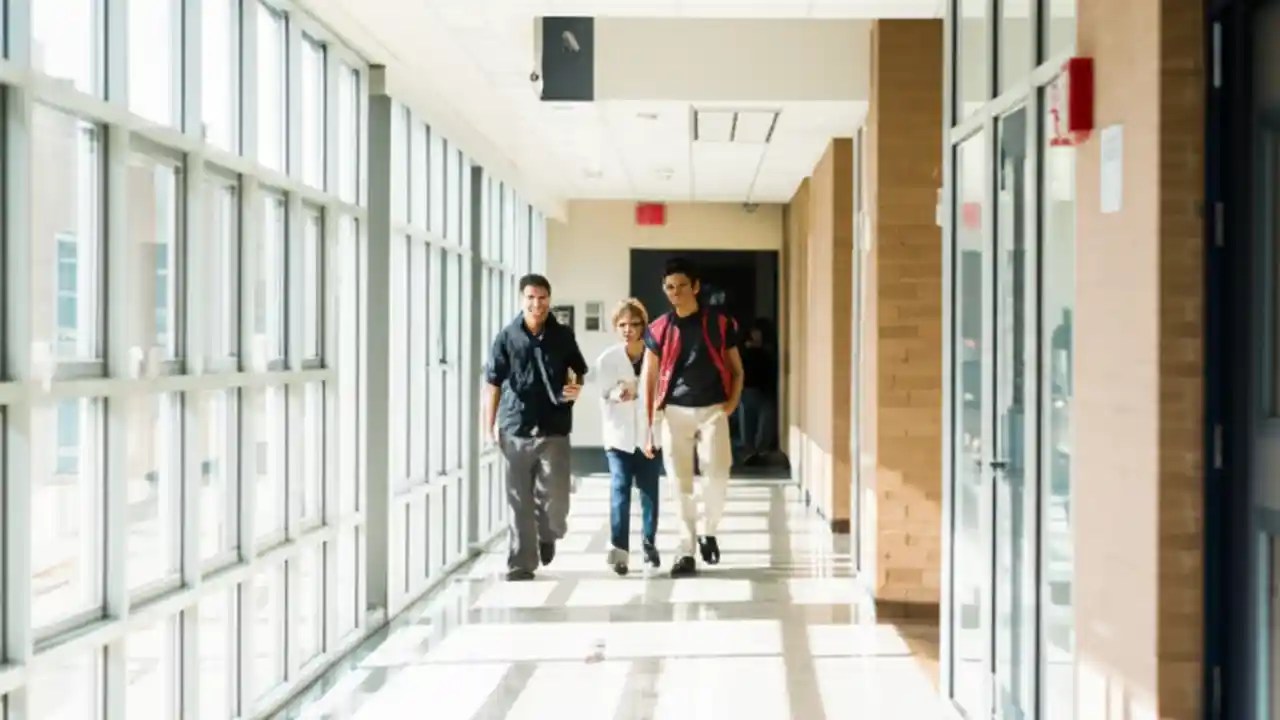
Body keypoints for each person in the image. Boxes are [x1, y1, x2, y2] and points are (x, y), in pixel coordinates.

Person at [640, 258, 744, 577]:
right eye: (670, 287)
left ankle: (708, 531)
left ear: (696, 287)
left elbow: (738, 371)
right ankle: (685, 549)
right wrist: (648, 428)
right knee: (679, 482)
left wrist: (729, 407)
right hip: (673, 413)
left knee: (717, 474)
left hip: (713, 409)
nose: (676, 293)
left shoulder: (721, 324)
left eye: (682, 286)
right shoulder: (658, 329)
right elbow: (649, 378)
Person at [484, 274, 588, 581]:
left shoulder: (563, 336)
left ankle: (549, 534)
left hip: (553, 427)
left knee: (555, 501)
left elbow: (577, 372)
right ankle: (520, 563)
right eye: (530, 297)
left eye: (542, 297)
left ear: (549, 300)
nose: (536, 303)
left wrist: (575, 388)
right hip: (514, 427)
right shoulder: (506, 337)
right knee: (519, 500)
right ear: (522, 299)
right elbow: (491, 385)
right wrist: (488, 427)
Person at [594, 298, 662, 576]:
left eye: (634, 324)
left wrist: (640, 393)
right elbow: (603, 394)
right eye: (622, 324)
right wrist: (617, 393)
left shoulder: (655, 355)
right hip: (618, 437)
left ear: (644, 326)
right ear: (615, 327)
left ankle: (649, 544)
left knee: (649, 493)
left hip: (649, 436)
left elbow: (662, 393)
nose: (628, 329)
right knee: (619, 492)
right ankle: (619, 550)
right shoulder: (607, 359)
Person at [735, 320, 777, 465]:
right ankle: (750, 452)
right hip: (748, 390)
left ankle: (759, 451)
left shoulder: (767, 350)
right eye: (754, 332)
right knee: (748, 423)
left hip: (763, 390)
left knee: (764, 423)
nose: (757, 335)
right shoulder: (744, 350)